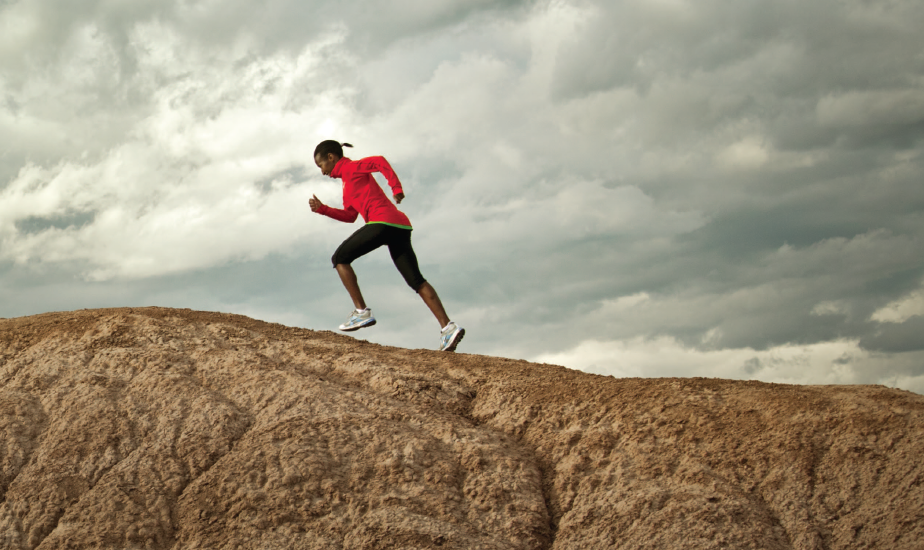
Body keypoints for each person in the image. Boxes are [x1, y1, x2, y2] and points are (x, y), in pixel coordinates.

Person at [309, 140, 465, 352]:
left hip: (382, 222)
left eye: (321, 166)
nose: (322, 171)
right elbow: (350, 216)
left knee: (340, 258)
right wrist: (323, 209)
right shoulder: (346, 184)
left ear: (331, 157)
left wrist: (396, 188)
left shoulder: (352, 167)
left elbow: (379, 162)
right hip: (399, 226)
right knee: (416, 280)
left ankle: (361, 312)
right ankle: (448, 327)